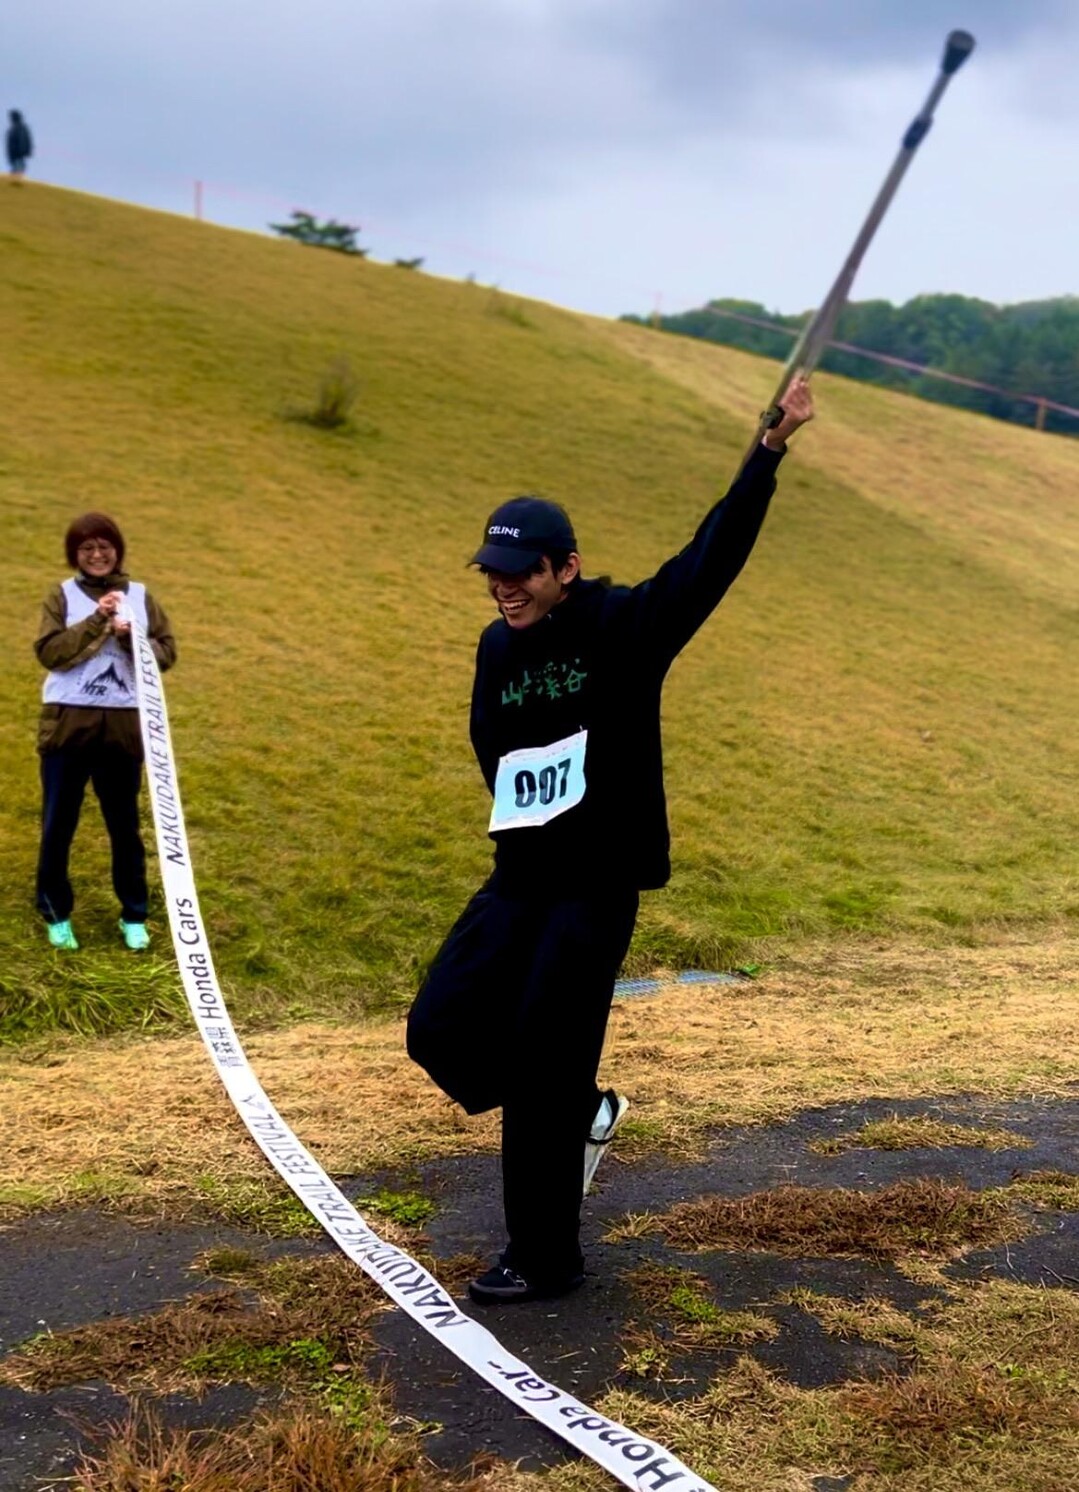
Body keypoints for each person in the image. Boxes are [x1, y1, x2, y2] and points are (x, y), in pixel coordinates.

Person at [407, 377, 816, 1304]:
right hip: (519, 877)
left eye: (522, 572)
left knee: (545, 1057)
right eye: (492, 573)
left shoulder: (623, 626)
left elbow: (707, 561)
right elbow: (491, 743)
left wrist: (767, 453)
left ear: (565, 567)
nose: (504, 587)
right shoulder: (494, 647)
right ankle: (577, 1112)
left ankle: (544, 1256)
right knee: (440, 1028)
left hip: (594, 885)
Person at [34, 513, 176, 952]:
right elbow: (50, 653)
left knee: (125, 827)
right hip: (67, 730)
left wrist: (136, 638)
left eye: (104, 546)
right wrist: (96, 621)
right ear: (74, 555)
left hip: (123, 730)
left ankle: (133, 914)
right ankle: (55, 913)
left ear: (118, 549)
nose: (97, 555)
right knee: (59, 825)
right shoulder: (62, 595)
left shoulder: (142, 597)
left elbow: (166, 653)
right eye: (86, 549)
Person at [6, 110, 33, 180]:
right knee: (17, 167)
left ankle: (17, 181)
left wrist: (25, 151)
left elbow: (24, 141)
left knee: (18, 168)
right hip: (15, 155)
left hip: (18, 154)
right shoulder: (14, 129)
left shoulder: (19, 128)